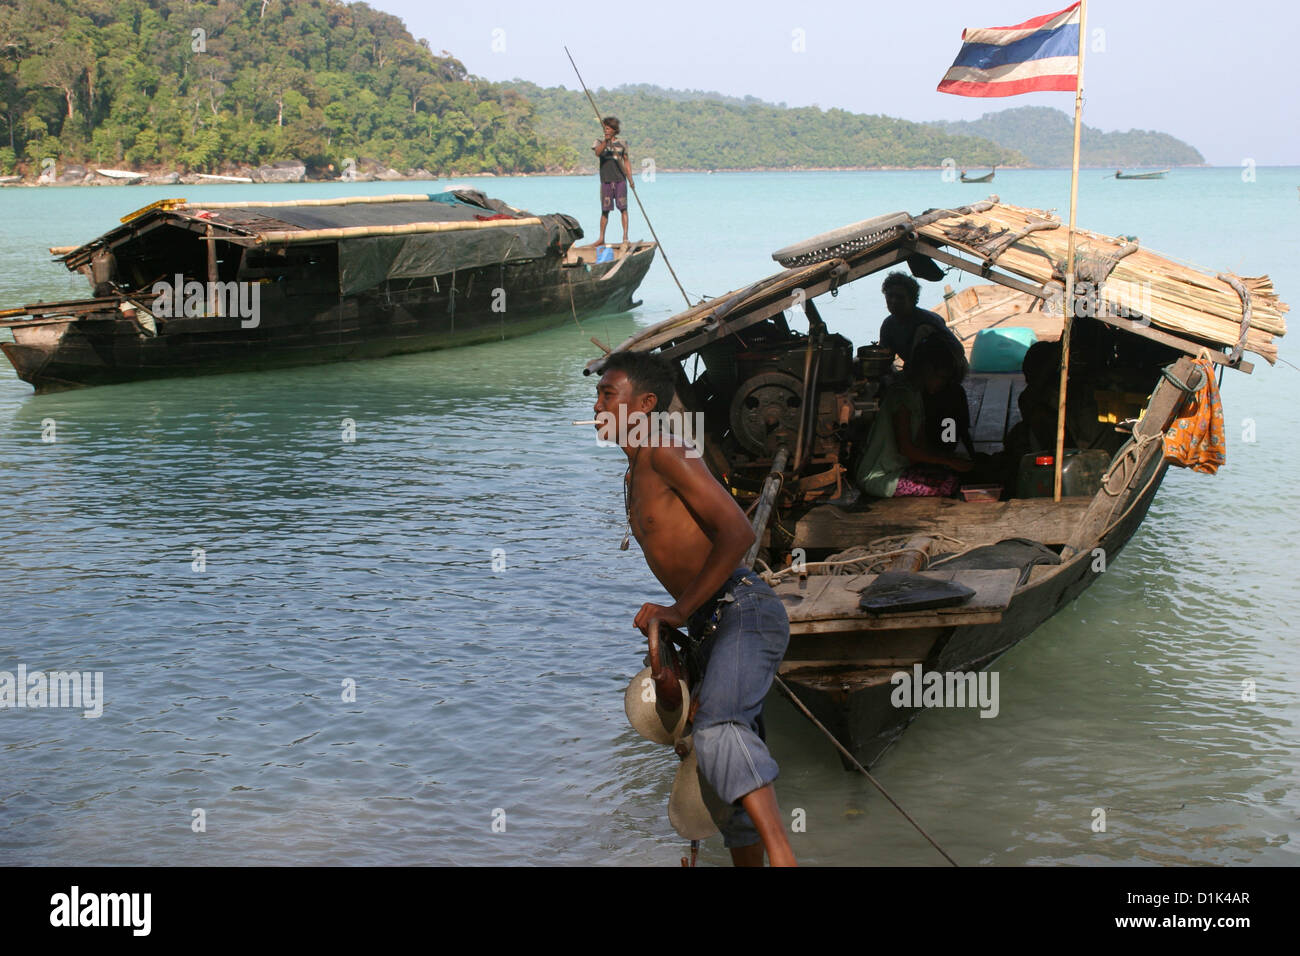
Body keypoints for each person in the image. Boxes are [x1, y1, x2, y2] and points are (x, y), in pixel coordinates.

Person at [593, 350, 797, 867]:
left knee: (721, 728)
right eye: (597, 394)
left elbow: (739, 533)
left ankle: (784, 860)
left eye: (607, 395)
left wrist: (678, 610)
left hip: (742, 608)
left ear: (644, 405)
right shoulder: (634, 470)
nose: (596, 406)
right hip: (711, 625)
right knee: (714, 772)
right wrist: (671, 636)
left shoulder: (664, 450)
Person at [853, 336, 974, 498]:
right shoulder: (903, 395)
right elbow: (906, 448)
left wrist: (948, 458)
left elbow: (921, 442)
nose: (943, 384)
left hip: (901, 467)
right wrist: (948, 461)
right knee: (949, 484)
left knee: (951, 474)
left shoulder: (916, 394)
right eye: (942, 378)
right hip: (880, 477)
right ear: (928, 370)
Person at [877, 271, 973, 459]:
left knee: (948, 413)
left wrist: (936, 377)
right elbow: (884, 358)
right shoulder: (888, 325)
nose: (894, 301)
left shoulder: (927, 322)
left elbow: (956, 352)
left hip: (946, 371)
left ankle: (947, 445)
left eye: (900, 297)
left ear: (913, 300)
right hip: (920, 372)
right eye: (890, 296)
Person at [592, 117, 632, 248]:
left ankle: (625, 237)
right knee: (605, 210)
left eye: (608, 128)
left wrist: (630, 179)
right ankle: (601, 238)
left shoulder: (622, 144)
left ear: (614, 130)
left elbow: (626, 161)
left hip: (620, 180)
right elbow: (598, 153)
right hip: (606, 181)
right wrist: (606, 141)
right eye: (605, 128)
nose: (606, 130)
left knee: (623, 209)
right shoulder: (599, 142)